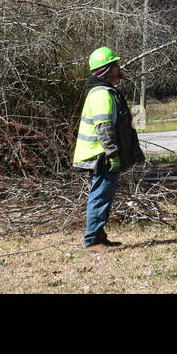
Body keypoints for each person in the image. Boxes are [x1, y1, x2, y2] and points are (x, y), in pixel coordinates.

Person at [72, 46, 144, 250]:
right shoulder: (102, 95)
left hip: (99, 155)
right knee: (100, 196)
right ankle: (93, 240)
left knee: (103, 196)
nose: (119, 68)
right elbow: (104, 129)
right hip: (100, 156)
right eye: (115, 65)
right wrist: (113, 156)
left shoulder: (102, 92)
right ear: (107, 69)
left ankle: (99, 236)